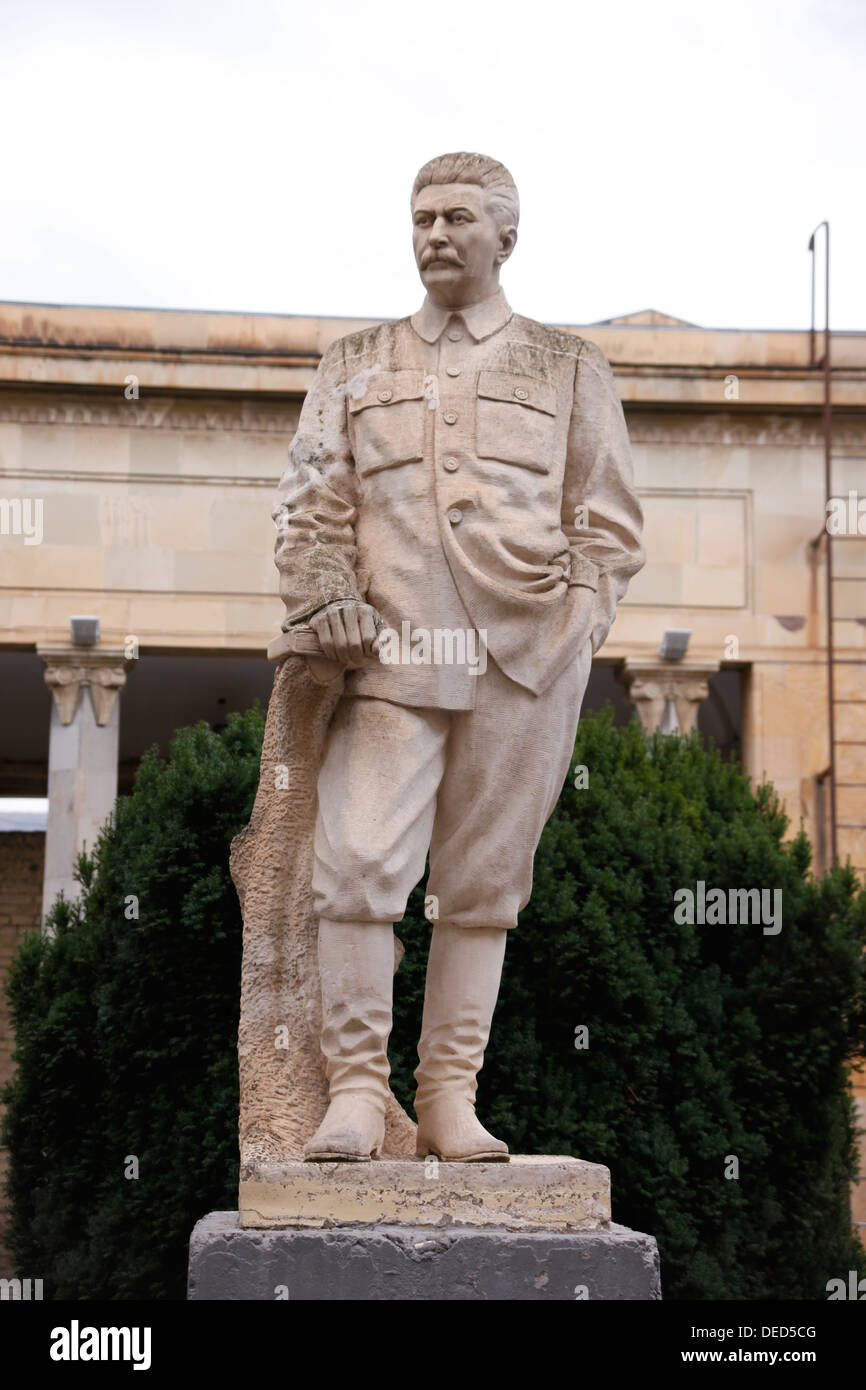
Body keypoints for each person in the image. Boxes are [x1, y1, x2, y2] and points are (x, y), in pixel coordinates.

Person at [271, 151, 645, 1162]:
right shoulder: (352, 362)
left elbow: (608, 528)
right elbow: (310, 508)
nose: (435, 234)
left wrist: (571, 634)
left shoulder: (571, 367)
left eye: (457, 219)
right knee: (353, 867)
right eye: (422, 217)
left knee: (482, 885)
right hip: (386, 656)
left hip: (520, 663)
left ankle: (447, 1096)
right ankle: (355, 1090)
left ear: (504, 237)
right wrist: (326, 596)